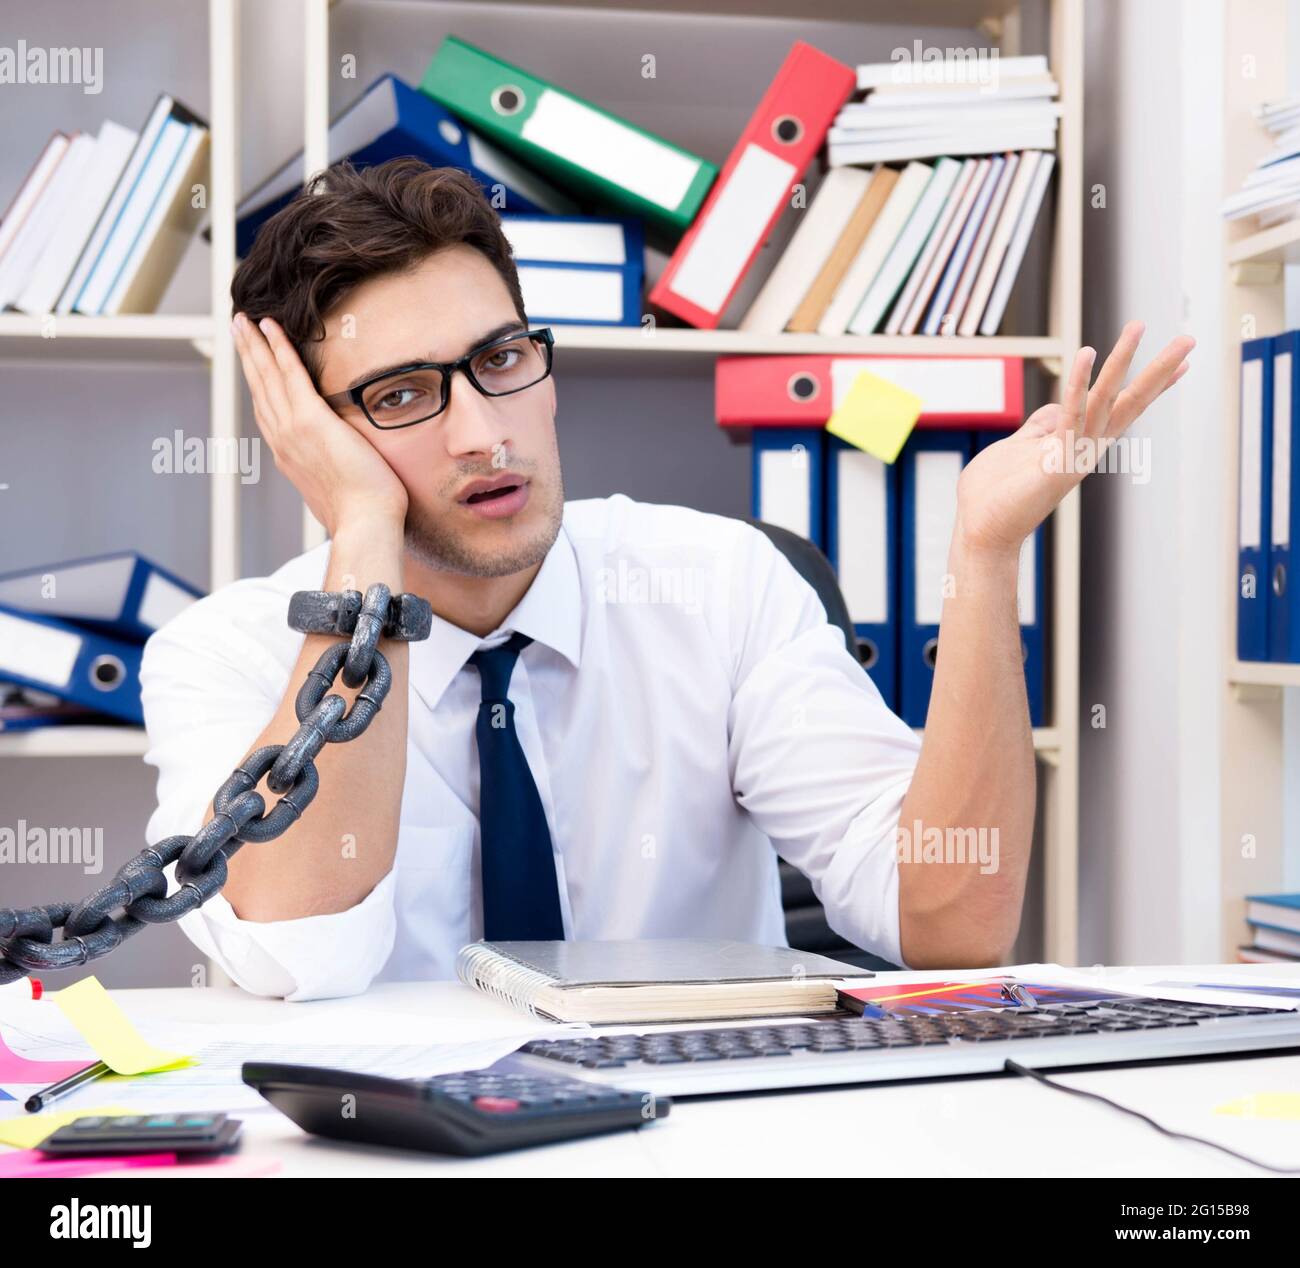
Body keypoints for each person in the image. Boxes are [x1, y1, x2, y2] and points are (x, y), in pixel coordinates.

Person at [140, 158, 1193, 1001]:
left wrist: (982, 552)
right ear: (310, 436)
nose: (482, 432)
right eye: (405, 394)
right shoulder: (224, 655)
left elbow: (949, 921)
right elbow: (302, 952)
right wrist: (361, 525)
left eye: (501, 360)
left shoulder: (718, 583)